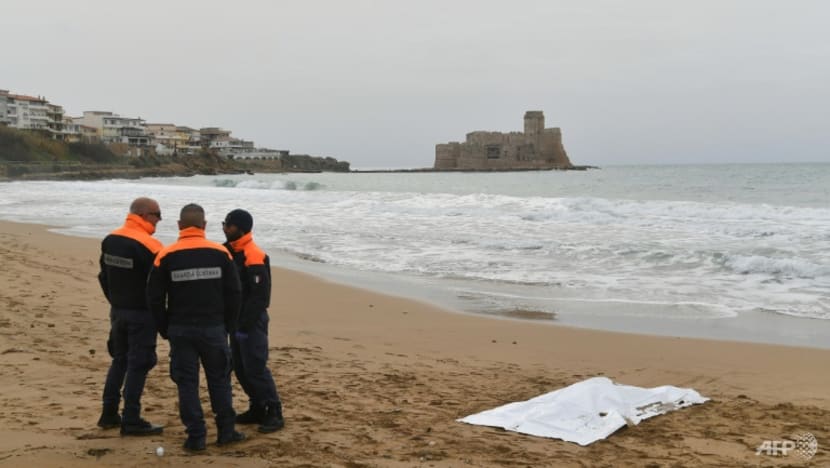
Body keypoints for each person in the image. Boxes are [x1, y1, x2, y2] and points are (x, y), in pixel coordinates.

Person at [147, 203, 245, 451]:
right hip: (213, 328)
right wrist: (228, 326)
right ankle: (226, 431)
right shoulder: (221, 254)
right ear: (204, 225)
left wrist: (164, 327)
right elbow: (234, 293)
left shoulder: (166, 255)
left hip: (180, 329)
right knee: (220, 380)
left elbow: (154, 298)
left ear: (180, 226)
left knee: (187, 384)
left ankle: (196, 436)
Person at [97, 197, 164, 436]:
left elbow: (103, 276)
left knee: (120, 361)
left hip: (118, 311)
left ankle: (108, 413)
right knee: (139, 363)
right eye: (158, 215)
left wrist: (115, 301)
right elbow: (159, 289)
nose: (159, 220)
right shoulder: (150, 246)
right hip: (141, 314)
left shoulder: (111, 239)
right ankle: (131, 418)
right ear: (145, 215)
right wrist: (161, 316)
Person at [222, 209, 285, 433]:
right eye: (224, 224)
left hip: (252, 322)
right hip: (235, 322)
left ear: (240, 228)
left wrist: (244, 326)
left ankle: (274, 411)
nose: (224, 228)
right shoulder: (226, 251)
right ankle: (257, 407)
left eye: (227, 225)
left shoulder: (254, 254)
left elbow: (260, 297)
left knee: (256, 368)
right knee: (240, 368)